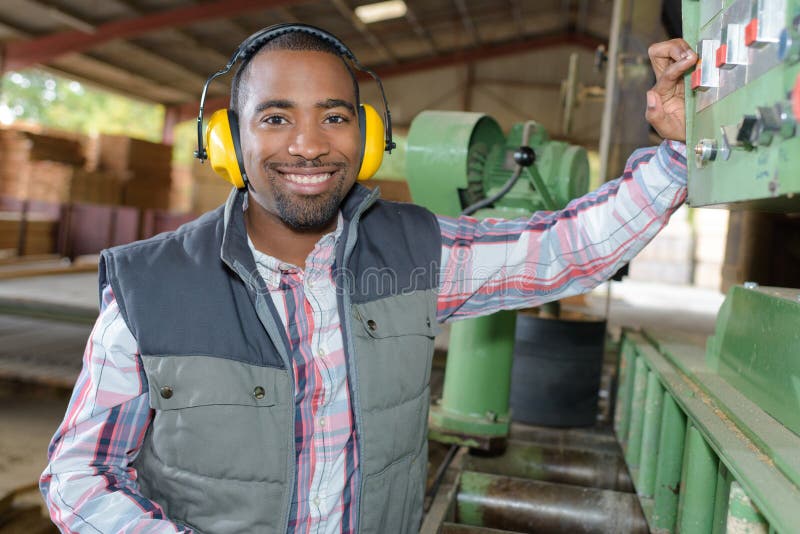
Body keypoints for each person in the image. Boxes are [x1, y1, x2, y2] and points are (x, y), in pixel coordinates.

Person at [40, 25, 697, 534]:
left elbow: (567, 249)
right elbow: (78, 474)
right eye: (275, 118)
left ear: (368, 136)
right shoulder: (149, 286)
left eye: (335, 116)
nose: (309, 145)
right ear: (227, 140)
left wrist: (674, 154)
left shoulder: (413, 251)